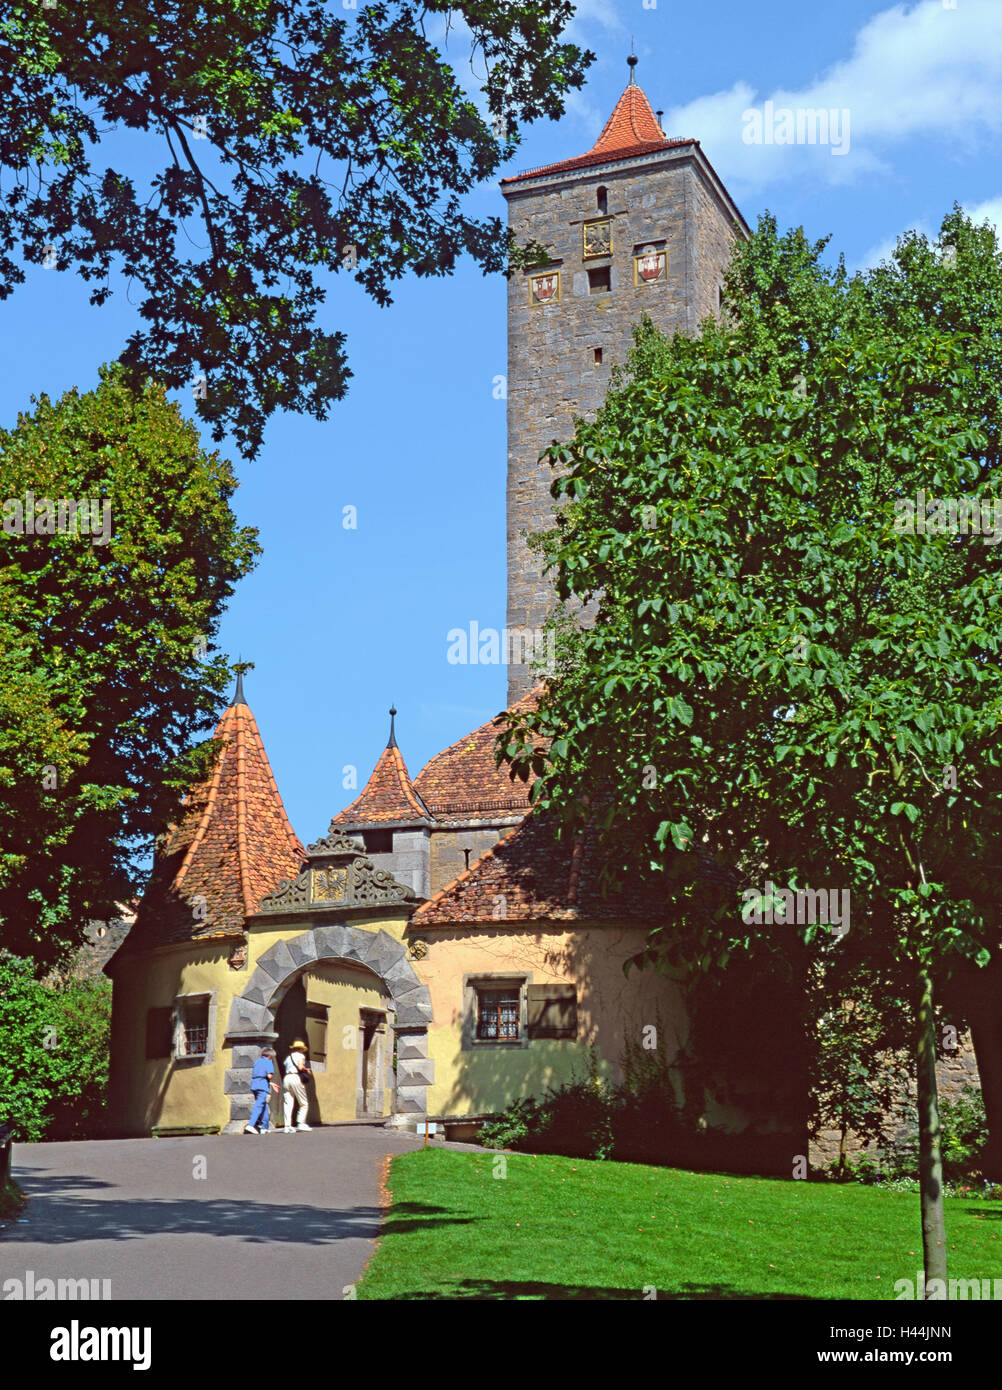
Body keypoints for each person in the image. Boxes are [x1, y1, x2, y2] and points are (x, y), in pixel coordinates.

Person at [245, 1046, 279, 1135]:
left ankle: (264, 1127)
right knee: (259, 1105)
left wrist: (271, 1084)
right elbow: (269, 1076)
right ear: (270, 1056)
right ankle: (251, 1124)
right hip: (262, 1086)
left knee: (264, 1106)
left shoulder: (257, 1062)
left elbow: (258, 1075)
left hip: (255, 1084)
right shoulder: (268, 1062)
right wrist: (271, 1077)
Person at [282, 1038, 312, 1132]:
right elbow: (300, 1067)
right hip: (295, 1077)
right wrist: (306, 1069)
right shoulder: (301, 1056)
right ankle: (301, 1123)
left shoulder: (288, 1057)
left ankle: (287, 1126)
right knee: (304, 1103)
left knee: (288, 1103)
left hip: (286, 1078)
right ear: (301, 1049)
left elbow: (285, 1065)